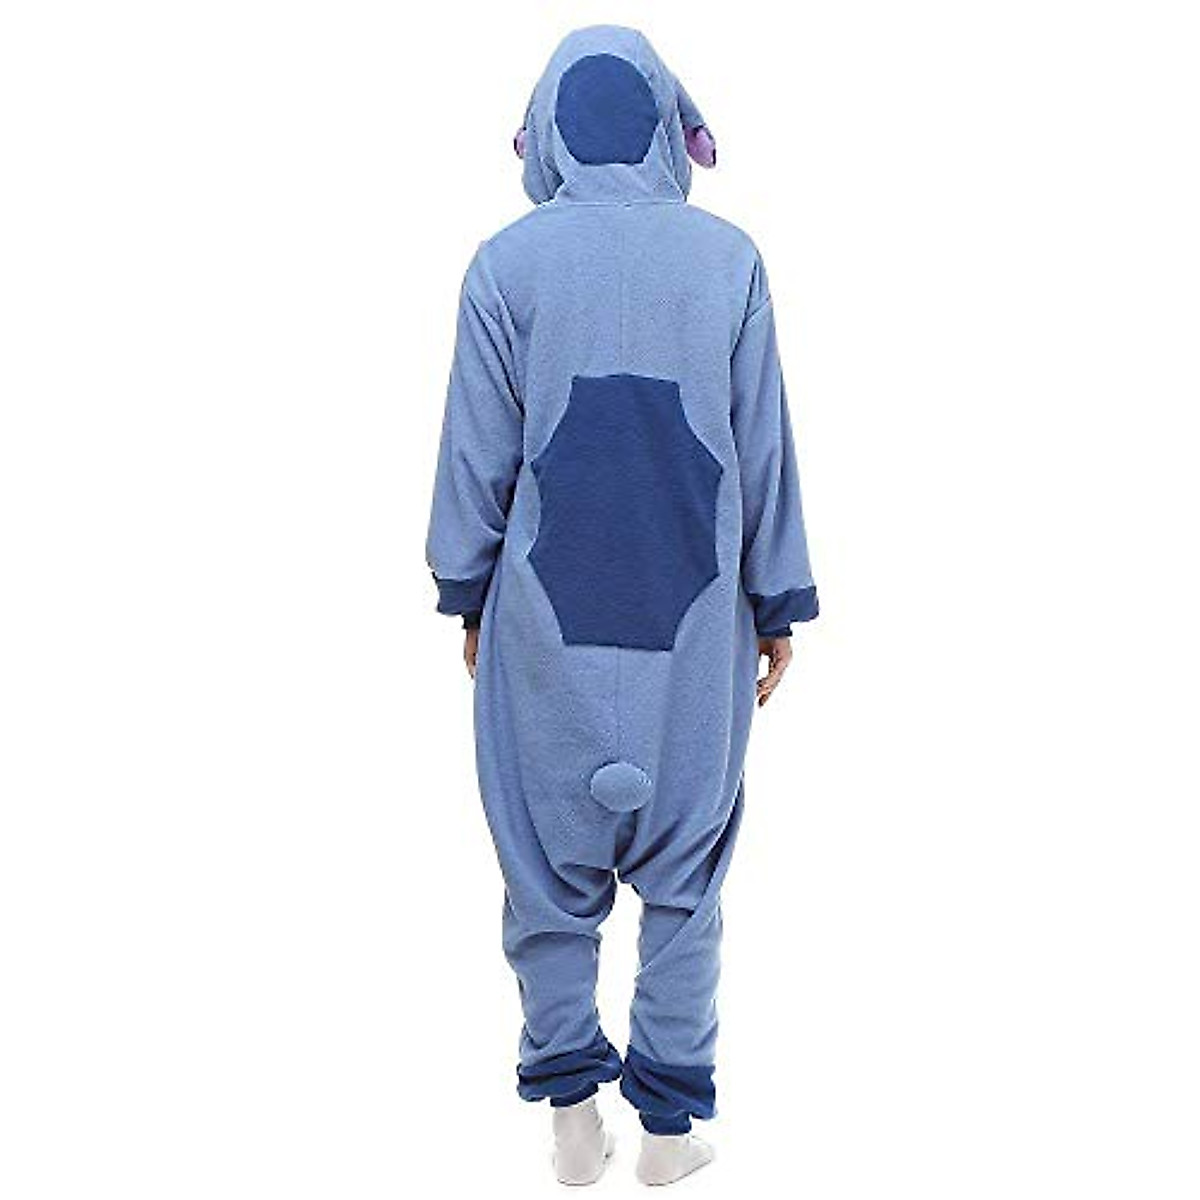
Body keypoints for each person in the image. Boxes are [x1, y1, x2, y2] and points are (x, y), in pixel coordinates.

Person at [426, 25, 818, 1186]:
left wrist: (466, 589)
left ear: (549, 129)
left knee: (545, 882)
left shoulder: (504, 268)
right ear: (664, 125)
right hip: (693, 638)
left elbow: (476, 457)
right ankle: (668, 1134)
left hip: (540, 633)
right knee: (686, 887)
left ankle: (569, 1123)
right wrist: (776, 602)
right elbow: (761, 447)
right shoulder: (728, 261)